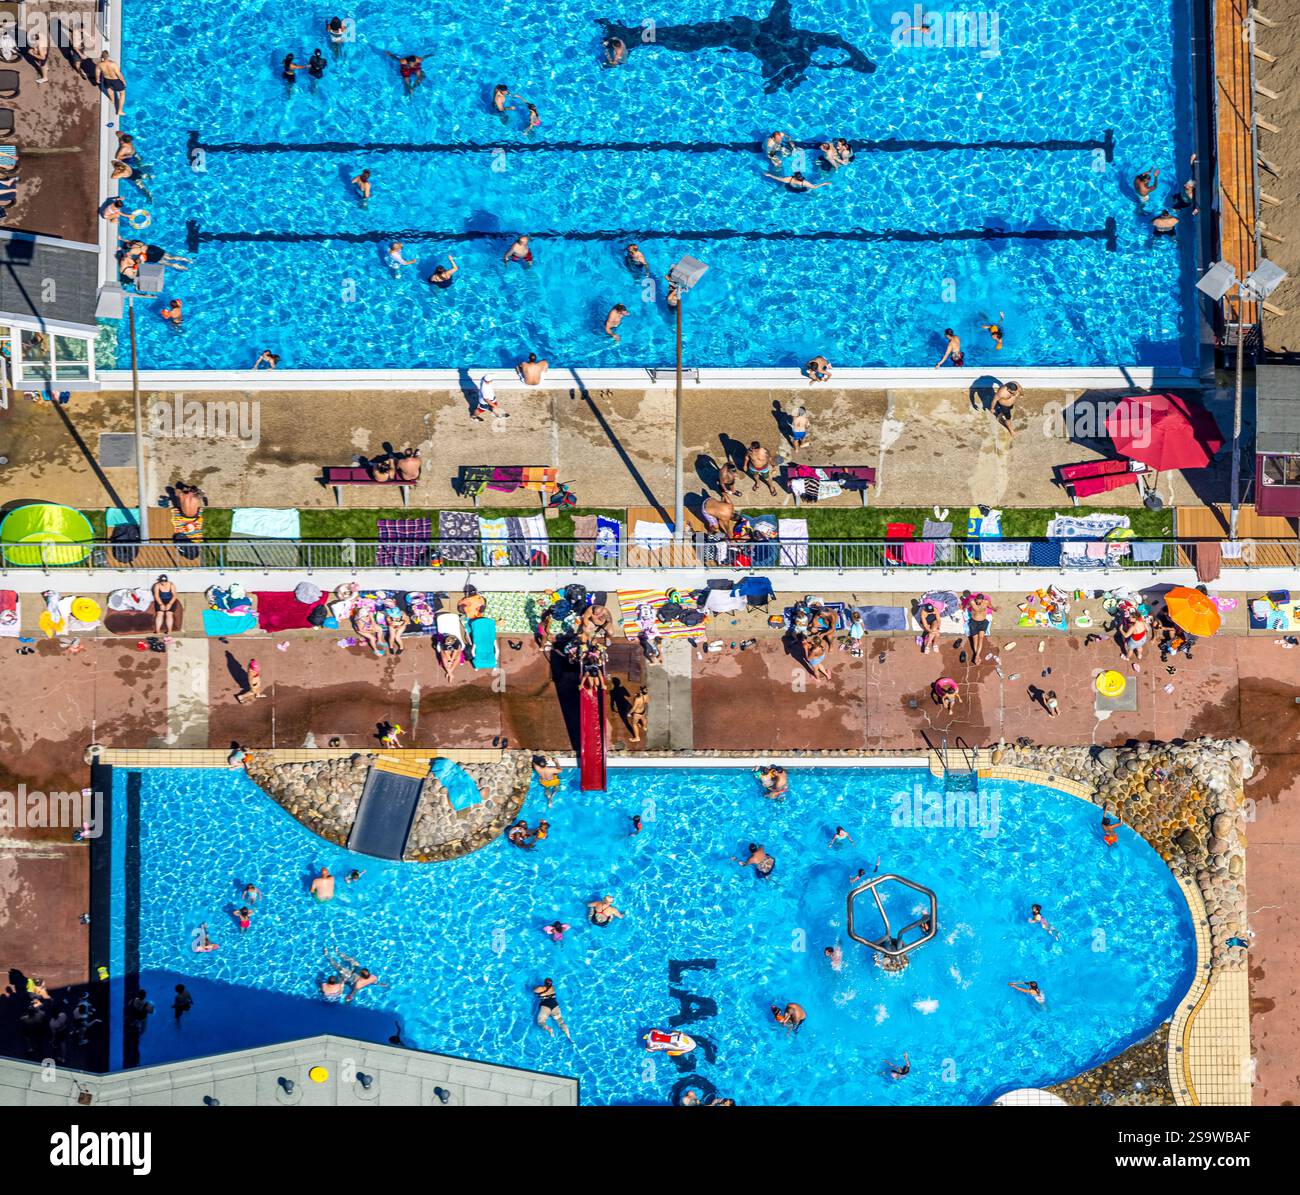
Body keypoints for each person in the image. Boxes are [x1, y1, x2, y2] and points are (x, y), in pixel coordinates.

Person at [964, 591, 993, 661]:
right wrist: (963, 607)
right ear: (975, 599)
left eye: (979, 601)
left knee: (981, 639)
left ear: (982, 600)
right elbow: (966, 606)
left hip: (983, 622)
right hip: (974, 622)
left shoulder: (986, 602)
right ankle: (977, 656)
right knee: (975, 639)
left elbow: (991, 607)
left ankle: (976, 656)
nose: (978, 602)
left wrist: (996, 609)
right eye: (977, 600)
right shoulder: (972, 602)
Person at [763, 170, 829, 192]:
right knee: (809, 192)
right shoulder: (804, 182)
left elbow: (778, 179)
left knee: (778, 190)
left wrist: (770, 175)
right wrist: (824, 183)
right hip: (800, 189)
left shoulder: (789, 179)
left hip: (790, 187)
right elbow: (814, 187)